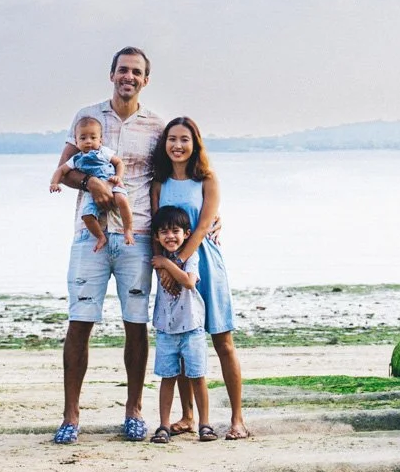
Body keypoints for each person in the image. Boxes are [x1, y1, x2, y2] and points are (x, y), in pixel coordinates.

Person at [49, 47, 166, 444]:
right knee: (80, 321)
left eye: (136, 72)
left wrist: (208, 213)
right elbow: (63, 171)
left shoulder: (156, 125)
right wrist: (90, 182)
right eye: (122, 70)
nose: (127, 77)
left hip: (138, 233)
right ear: (111, 74)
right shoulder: (88, 117)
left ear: (145, 80)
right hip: (90, 235)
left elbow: (170, 177)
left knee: (136, 322)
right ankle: (70, 416)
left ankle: (133, 410)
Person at [150, 116, 249, 440]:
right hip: (171, 268)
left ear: (195, 144)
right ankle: (187, 416)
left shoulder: (207, 179)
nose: (178, 146)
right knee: (180, 338)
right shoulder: (159, 183)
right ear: (165, 145)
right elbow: (155, 227)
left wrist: (176, 263)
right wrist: (164, 267)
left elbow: (204, 225)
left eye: (184, 140)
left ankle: (237, 419)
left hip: (204, 264)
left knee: (222, 341)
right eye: (172, 139)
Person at [147, 205, 216, 443]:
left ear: (186, 233)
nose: (170, 236)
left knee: (197, 376)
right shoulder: (156, 256)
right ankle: (164, 426)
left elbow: (188, 282)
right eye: (164, 232)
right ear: (156, 236)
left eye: (175, 231)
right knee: (168, 378)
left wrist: (166, 264)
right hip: (166, 328)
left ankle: (204, 424)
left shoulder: (190, 256)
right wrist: (162, 261)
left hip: (192, 327)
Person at [48, 115, 134, 250]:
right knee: (87, 215)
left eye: (93, 138)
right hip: (91, 191)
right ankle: (100, 237)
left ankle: (128, 230)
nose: (88, 141)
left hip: (110, 181)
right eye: (83, 138)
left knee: (122, 200)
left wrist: (118, 176)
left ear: (100, 140)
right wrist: (54, 183)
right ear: (76, 142)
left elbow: (119, 163)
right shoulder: (76, 159)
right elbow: (61, 170)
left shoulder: (104, 152)